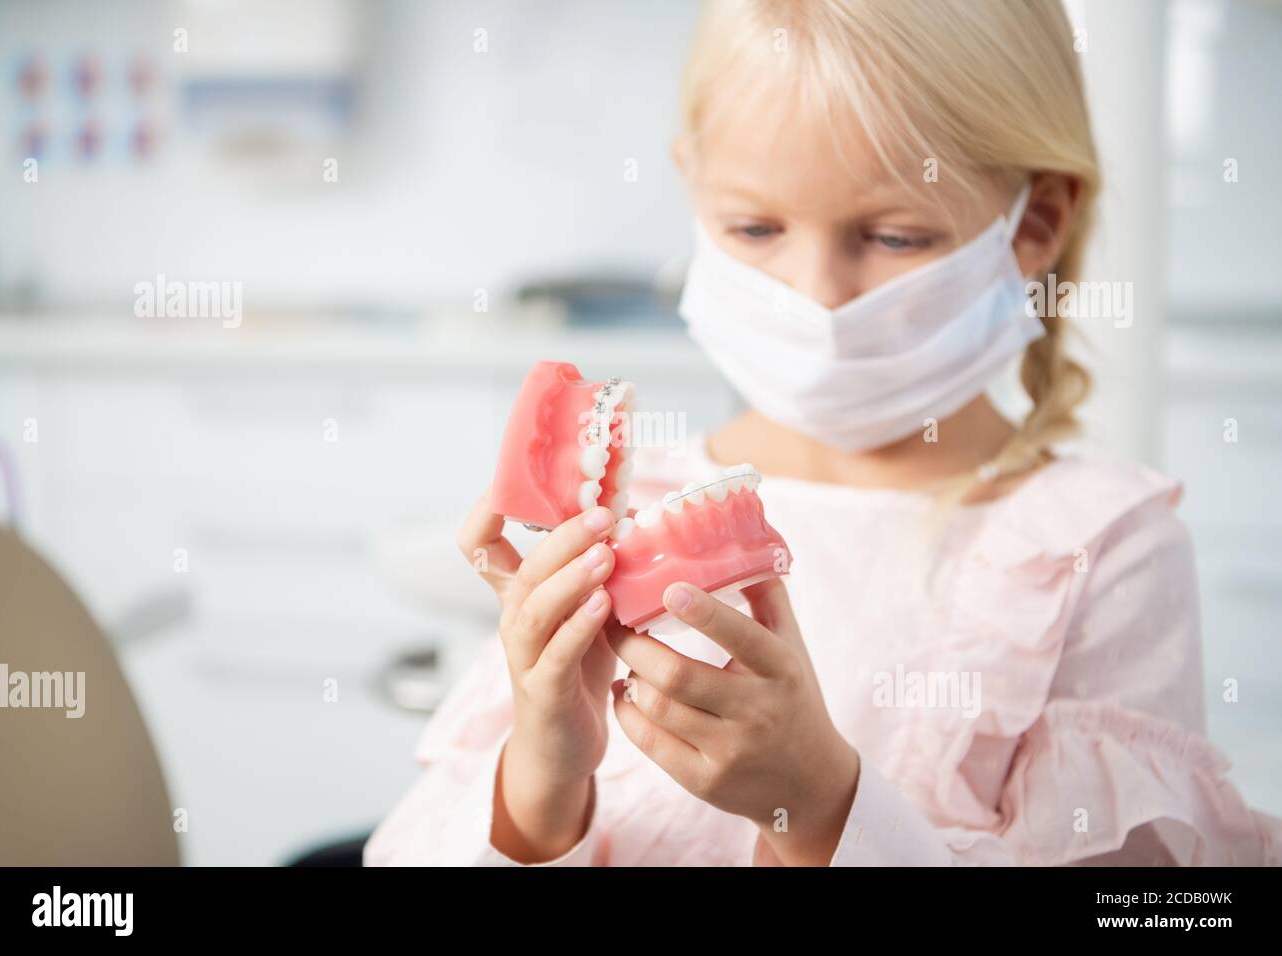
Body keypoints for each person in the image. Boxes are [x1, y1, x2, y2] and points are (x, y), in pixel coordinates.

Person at [365, 0, 1282, 866]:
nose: (818, 293)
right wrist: (543, 772)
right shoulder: (622, 514)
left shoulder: (1098, 550)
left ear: (1034, 222)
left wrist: (818, 811)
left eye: (894, 236)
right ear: (695, 188)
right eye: (756, 226)